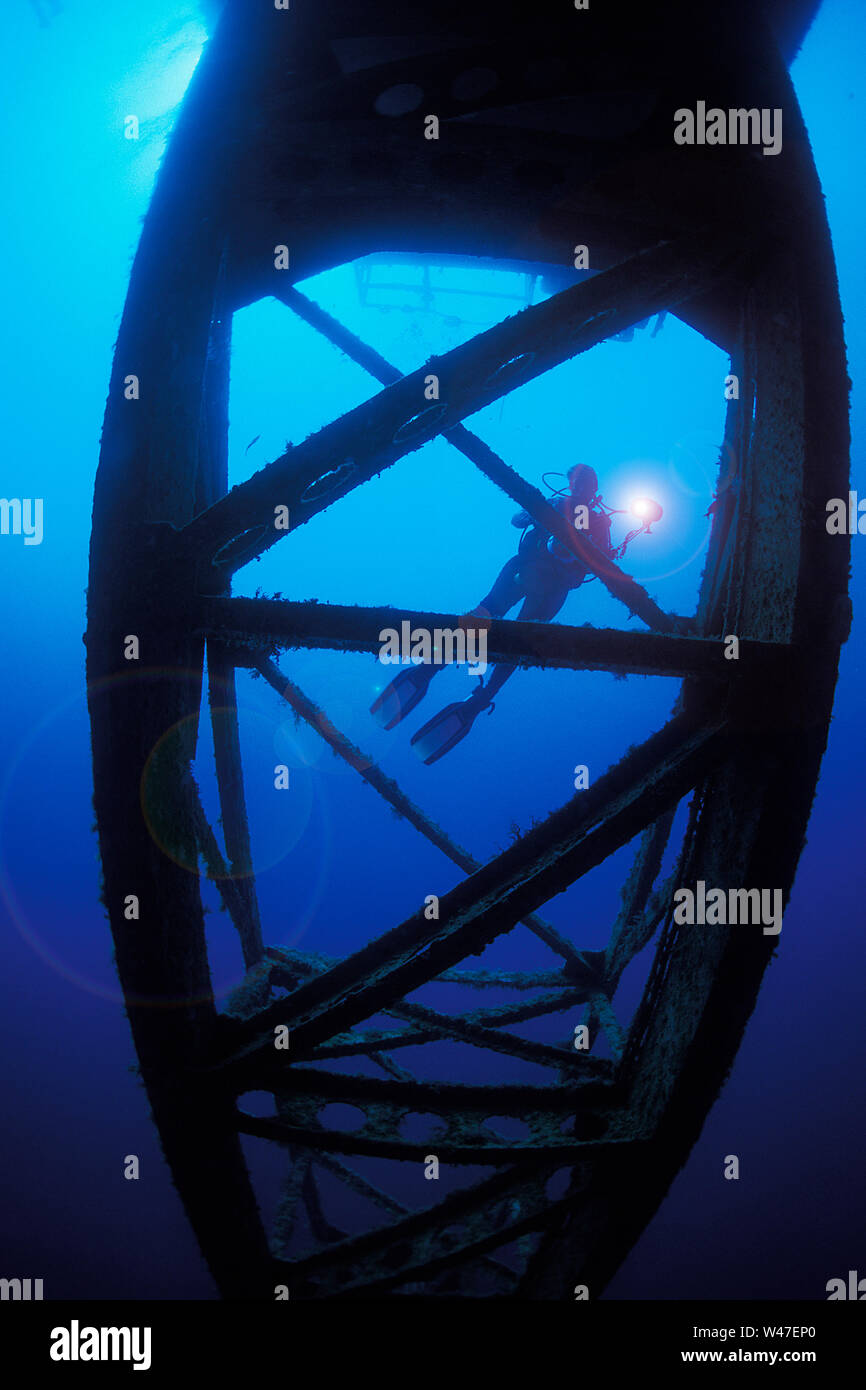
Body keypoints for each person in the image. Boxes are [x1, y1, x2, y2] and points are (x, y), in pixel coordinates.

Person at [370, 464, 614, 764]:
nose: (578, 487)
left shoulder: (587, 517)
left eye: (581, 482)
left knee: (496, 626)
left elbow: (597, 559)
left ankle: (436, 673)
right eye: (577, 481)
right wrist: (536, 515)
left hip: (535, 578)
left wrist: (537, 515)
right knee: (501, 630)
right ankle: (460, 687)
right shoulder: (578, 514)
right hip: (536, 579)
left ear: (587, 487)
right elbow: (523, 522)